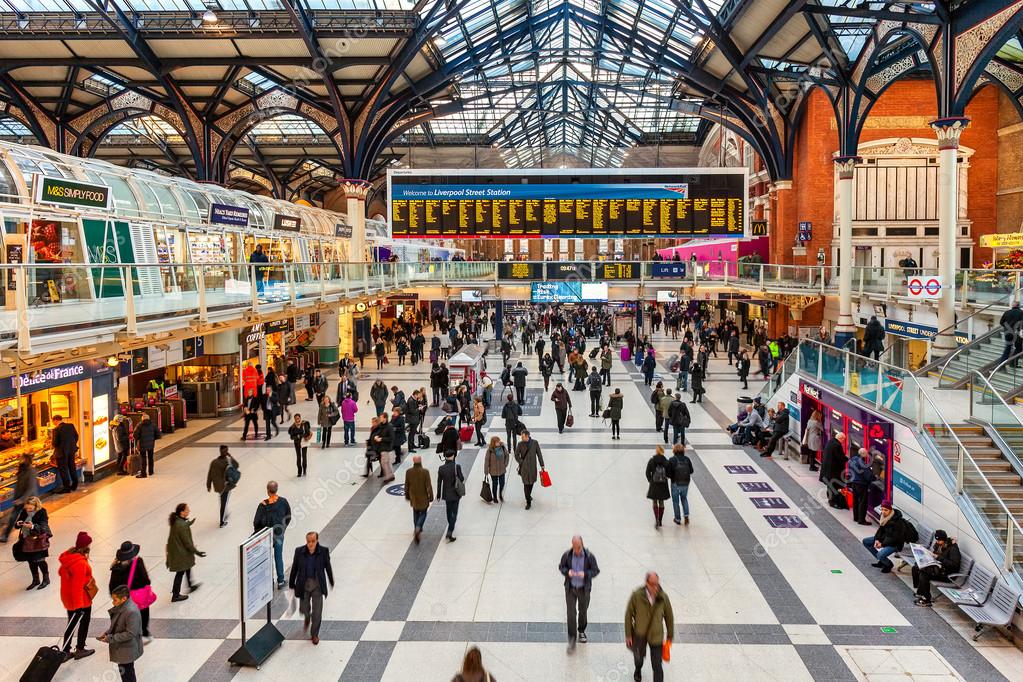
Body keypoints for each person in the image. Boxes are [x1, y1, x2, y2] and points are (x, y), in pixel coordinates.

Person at [624, 572, 674, 682]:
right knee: (639, 659)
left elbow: (669, 617)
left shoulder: (663, 597)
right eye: (652, 584)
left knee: (657, 664)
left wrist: (670, 635)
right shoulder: (637, 595)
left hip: (656, 635)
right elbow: (628, 615)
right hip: (640, 633)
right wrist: (628, 635)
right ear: (646, 583)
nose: (655, 587)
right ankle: (638, 669)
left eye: (657, 584)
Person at [289, 531, 334, 645]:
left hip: (317, 585)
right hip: (304, 584)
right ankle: (307, 617)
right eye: (308, 541)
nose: (310, 544)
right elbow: (294, 568)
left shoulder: (323, 551)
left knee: (317, 612)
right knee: (304, 608)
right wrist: (291, 583)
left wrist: (331, 580)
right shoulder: (299, 552)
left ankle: (314, 634)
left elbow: (327, 566)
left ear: (317, 541)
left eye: (313, 541)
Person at [58, 531, 96, 661]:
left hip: (68, 598)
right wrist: (79, 607)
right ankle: (80, 649)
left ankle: (66, 651)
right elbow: (77, 586)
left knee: (71, 623)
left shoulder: (70, 557)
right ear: (86, 546)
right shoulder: (80, 563)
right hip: (81, 600)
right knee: (83, 623)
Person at [559, 535, 599, 652]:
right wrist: (567, 572)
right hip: (571, 588)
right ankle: (572, 638)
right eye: (575, 547)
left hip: (583, 589)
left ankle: (581, 631)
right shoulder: (567, 555)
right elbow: (561, 567)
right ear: (572, 545)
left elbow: (595, 570)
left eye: (579, 547)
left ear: (582, 544)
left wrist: (586, 574)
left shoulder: (589, 556)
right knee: (571, 614)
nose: (576, 550)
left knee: (583, 611)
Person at [108, 541, 152, 643]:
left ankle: (128, 636)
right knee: (143, 613)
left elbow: (112, 587)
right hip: (137, 597)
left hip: (123, 600)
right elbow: (145, 580)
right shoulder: (138, 563)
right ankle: (143, 633)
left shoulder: (115, 567)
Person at [253, 481, 292, 589]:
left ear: (267, 490)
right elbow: (288, 516)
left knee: (268, 559)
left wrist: (259, 532)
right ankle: (281, 581)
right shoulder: (283, 501)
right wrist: (283, 528)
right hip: (279, 535)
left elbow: (256, 522)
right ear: (277, 489)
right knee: (278, 557)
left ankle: (270, 582)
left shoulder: (263, 505)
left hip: (266, 536)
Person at [912, 530, 961, 606]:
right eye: (937, 540)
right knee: (916, 567)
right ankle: (920, 592)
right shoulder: (938, 545)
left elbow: (954, 564)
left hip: (947, 574)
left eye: (939, 540)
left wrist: (938, 558)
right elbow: (936, 555)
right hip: (938, 568)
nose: (938, 542)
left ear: (944, 540)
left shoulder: (953, 549)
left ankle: (927, 600)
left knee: (923, 574)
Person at [166, 503, 203, 602]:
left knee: (187, 567)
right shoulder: (181, 525)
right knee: (180, 572)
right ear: (182, 512)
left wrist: (188, 523)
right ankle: (175, 595)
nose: (189, 511)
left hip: (178, 550)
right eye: (187, 509)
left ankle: (190, 585)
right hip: (180, 553)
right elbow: (187, 542)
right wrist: (197, 552)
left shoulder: (177, 521)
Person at [12, 495, 50, 589]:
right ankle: (35, 580)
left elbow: (43, 526)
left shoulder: (42, 512)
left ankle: (46, 579)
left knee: (40, 560)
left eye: (30, 508)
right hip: (26, 540)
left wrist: (32, 526)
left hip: (38, 540)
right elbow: (17, 525)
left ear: (36, 506)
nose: (28, 510)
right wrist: (18, 523)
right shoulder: (24, 511)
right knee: (31, 561)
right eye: (27, 508)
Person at [861, 502, 909, 573]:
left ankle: (888, 564)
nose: (883, 512)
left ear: (890, 510)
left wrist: (882, 544)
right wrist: (877, 539)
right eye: (882, 509)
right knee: (866, 541)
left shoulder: (897, 522)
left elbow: (893, 538)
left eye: (886, 510)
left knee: (880, 555)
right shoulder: (884, 517)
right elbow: (880, 530)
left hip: (895, 544)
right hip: (885, 539)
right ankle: (882, 561)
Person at [1, 452, 37, 542]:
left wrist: (22, 499)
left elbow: (31, 488)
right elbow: (18, 485)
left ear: (27, 460)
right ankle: (5, 535)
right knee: (12, 517)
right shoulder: (21, 469)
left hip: (29, 499)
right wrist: (16, 498)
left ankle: (33, 536)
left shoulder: (31, 471)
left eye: (22, 459)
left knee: (30, 518)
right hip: (19, 498)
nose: (20, 460)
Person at [207, 445, 239, 528]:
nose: (225, 452)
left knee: (223, 501)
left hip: (218, 486)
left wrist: (208, 484)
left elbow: (210, 474)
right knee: (224, 503)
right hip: (225, 486)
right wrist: (230, 456)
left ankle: (225, 513)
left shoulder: (214, 462)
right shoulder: (227, 461)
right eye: (225, 451)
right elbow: (236, 465)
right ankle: (222, 522)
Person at [436, 450, 465, 542]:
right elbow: (462, 478)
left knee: (448, 511)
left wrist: (438, 494)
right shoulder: (457, 466)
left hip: (446, 493)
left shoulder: (441, 468)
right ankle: (450, 530)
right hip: (456, 493)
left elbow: (439, 482)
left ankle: (450, 525)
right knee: (454, 512)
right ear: (453, 456)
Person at [404, 455, 433, 544]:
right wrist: (431, 496)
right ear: (421, 461)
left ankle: (416, 528)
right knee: (423, 513)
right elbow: (428, 485)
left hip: (413, 497)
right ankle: (418, 527)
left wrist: (407, 495)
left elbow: (406, 484)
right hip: (423, 496)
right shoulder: (425, 472)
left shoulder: (409, 472)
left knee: (415, 512)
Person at [514, 429, 545, 510]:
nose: (521, 438)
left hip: (532, 467)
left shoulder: (535, 443)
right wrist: (521, 461)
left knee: (531, 483)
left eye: (523, 437)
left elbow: (539, 454)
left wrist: (542, 464)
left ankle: (528, 495)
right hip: (524, 468)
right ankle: (528, 501)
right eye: (521, 436)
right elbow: (516, 455)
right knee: (526, 484)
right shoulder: (520, 444)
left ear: (527, 436)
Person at [51, 414, 80, 492]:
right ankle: (74, 485)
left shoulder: (56, 429)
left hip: (61, 453)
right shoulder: (70, 426)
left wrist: (54, 445)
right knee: (72, 467)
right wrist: (71, 445)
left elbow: (55, 443)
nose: (53, 423)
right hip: (71, 451)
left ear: (56, 420)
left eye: (53, 421)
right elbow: (76, 436)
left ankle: (66, 487)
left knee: (63, 470)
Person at [820, 432, 849, 508]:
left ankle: (830, 499)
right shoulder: (837, 445)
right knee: (834, 487)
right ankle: (833, 502)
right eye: (843, 440)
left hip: (827, 470)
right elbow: (840, 458)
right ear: (841, 438)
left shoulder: (830, 442)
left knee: (830, 486)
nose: (843, 442)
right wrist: (847, 458)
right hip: (833, 471)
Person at [848, 447, 876, 525]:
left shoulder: (853, 459)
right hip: (861, 485)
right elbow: (868, 476)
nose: (867, 456)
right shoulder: (862, 463)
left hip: (853, 483)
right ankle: (861, 520)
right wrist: (875, 477)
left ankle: (856, 517)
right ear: (863, 454)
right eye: (866, 454)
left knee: (856, 501)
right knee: (862, 502)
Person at [668, 443, 693, 525]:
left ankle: (677, 519)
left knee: (675, 501)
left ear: (674, 450)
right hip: (685, 482)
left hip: (675, 483)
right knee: (684, 498)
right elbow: (691, 471)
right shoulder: (687, 459)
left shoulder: (672, 459)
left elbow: (668, 473)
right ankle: (686, 515)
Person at [645, 445, 671, 528]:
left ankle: (656, 518)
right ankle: (660, 520)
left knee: (654, 502)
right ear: (662, 451)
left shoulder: (652, 461)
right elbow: (669, 473)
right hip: (663, 484)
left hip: (654, 484)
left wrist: (650, 480)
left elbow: (647, 472)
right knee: (661, 502)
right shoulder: (666, 461)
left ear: (656, 451)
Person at [484, 436, 509, 503]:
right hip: (493, 471)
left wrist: (505, 464)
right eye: (497, 442)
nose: (499, 442)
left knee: (502, 483)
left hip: (502, 469)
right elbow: (486, 461)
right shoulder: (489, 450)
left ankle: (500, 494)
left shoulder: (502, 447)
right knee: (495, 484)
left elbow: (507, 455)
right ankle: (495, 497)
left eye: (499, 441)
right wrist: (486, 471)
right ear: (493, 443)